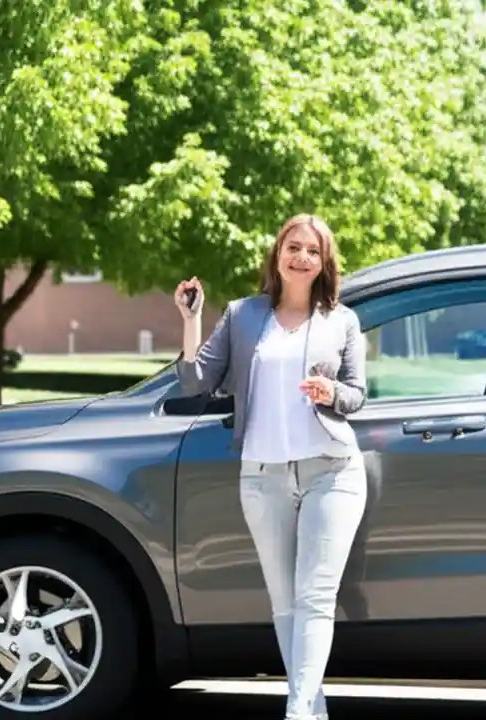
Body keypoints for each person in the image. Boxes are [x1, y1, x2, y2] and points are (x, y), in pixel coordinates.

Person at [174, 213, 368, 720]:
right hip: (263, 476)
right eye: (293, 246)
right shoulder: (243, 315)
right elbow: (197, 381)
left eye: (313, 251)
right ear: (278, 253)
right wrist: (191, 319)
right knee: (285, 602)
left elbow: (357, 394)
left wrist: (332, 393)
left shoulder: (342, 320)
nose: (302, 257)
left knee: (316, 597)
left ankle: (298, 710)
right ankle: (311, 704)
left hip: (332, 471)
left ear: (325, 262)